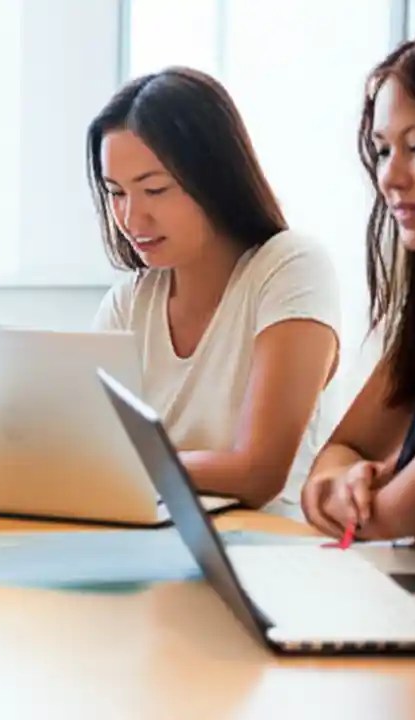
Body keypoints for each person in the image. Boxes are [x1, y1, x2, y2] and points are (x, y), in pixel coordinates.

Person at [88, 67, 341, 508]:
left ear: (214, 178)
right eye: (116, 193)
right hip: (156, 541)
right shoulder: (129, 302)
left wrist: (123, 465)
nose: (131, 219)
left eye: (155, 190)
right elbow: (79, 448)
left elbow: (258, 472)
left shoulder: (290, 267)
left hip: (271, 549)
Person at [301, 14, 415, 564]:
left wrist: (352, 494)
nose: (390, 177)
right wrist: (338, 483)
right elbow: (338, 452)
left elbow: (401, 515)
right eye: (382, 150)